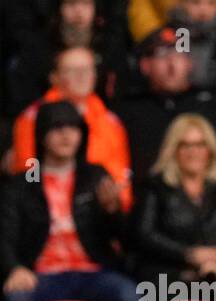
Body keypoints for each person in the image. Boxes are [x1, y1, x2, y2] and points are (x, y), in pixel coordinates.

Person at [0, 101, 138, 301]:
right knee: (16, 300)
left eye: (73, 128)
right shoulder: (23, 183)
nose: (66, 135)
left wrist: (112, 211)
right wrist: (14, 268)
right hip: (42, 275)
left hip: (92, 272)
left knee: (131, 299)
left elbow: (125, 238)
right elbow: (5, 235)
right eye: (57, 128)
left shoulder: (95, 176)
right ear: (43, 135)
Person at [113, 25, 216, 191]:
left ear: (189, 62)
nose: (172, 63)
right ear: (145, 65)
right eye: (162, 55)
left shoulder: (212, 105)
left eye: (179, 54)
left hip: (211, 199)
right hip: (149, 199)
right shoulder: (130, 111)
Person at [132, 113, 216, 301]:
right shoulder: (155, 186)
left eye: (200, 145)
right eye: (185, 145)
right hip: (168, 273)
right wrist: (189, 255)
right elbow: (144, 235)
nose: (193, 152)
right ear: (174, 150)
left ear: (210, 150)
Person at [10, 46, 133, 209]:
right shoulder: (32, 118)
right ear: (55, 77)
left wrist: (117, 205)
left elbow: (121, 177)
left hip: (95, 213)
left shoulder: (111, 122)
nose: (81, 77)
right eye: (72, 70)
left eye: (87, 70)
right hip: (47, 211)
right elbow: (28, 171)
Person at [5, 0, 129, 120]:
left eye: (86, 3)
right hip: (50, 121)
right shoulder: (39, 48)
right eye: (71, 3)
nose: (79, 11)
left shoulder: (109, 47)